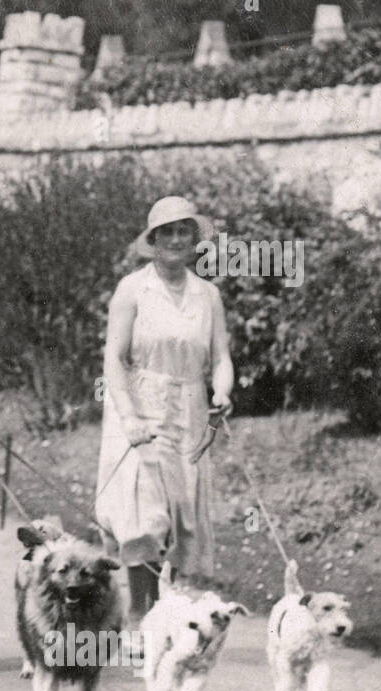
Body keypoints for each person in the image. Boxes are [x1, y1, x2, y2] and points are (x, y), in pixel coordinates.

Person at [95, 196, 234, 627]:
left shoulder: (207, 294)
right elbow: (113, 359)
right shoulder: (133, 289)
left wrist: (222, 391)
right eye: (166, 232)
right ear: (152, 240)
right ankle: (140, 612)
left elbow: (221, 356)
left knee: (178, 520)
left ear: (195, 239)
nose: (176, 239)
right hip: (137, 405)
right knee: (142, 515)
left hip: (190, 410)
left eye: (183, 231)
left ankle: (162, 615)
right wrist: (130, 417)